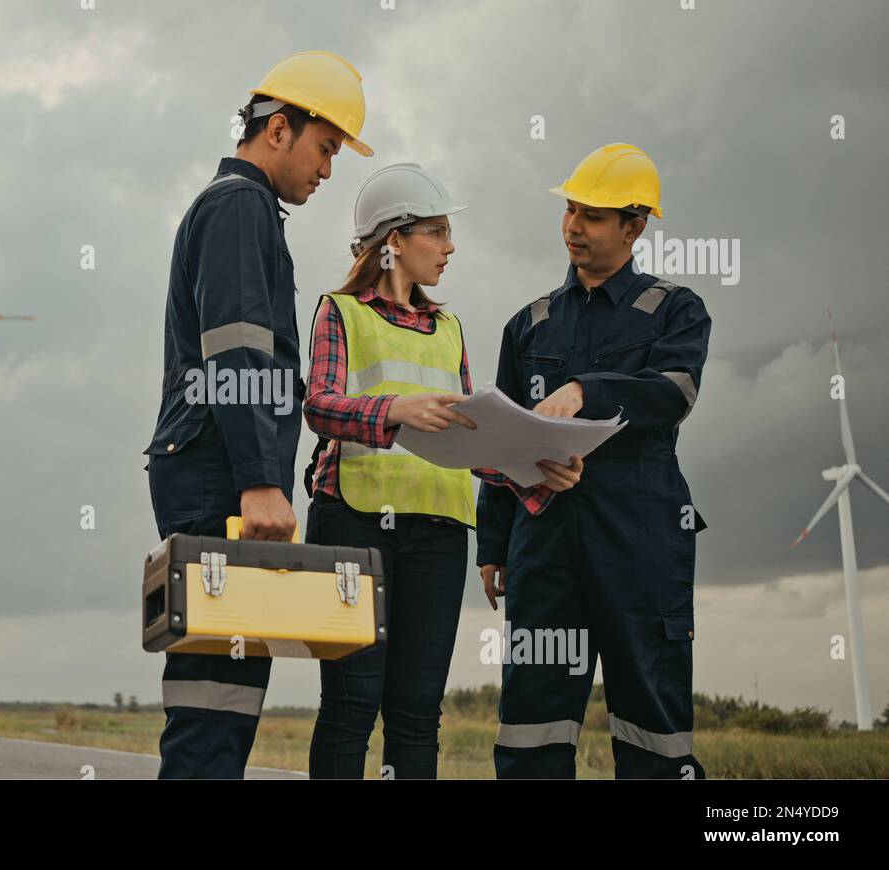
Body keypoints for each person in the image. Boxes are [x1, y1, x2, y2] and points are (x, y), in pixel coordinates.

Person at [301, 163, 583, 778]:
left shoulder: (449, 328)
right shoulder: (339, 312)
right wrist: (395, 410)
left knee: (416, 712)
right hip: (354, 522)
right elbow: (318, 405)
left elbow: (469, 439)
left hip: (438, 532)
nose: (451, 247)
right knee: (351, 704)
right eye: (437, 231)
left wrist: (532, 467)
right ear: (393, 239)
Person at [142, 50, 373, 779]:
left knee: (218, 702)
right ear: (278, 129)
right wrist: (259, 480)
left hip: (209, 469)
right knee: (214, 713)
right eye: (325, 148)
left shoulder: (240, 209)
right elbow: (237, 353)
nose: (329, 170)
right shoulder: (239, 206)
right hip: (220, 476)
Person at [478, 143, 712, 778]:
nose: (573, 226)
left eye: (594, 216)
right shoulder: (527, 325)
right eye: (570, 210)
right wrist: (493, 543)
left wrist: (587, 392)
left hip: (641, 541)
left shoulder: (675, 309)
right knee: (531, 725)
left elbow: (673, 394)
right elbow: (501, 440)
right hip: (544, 548)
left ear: (634, 227)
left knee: (651, 725)